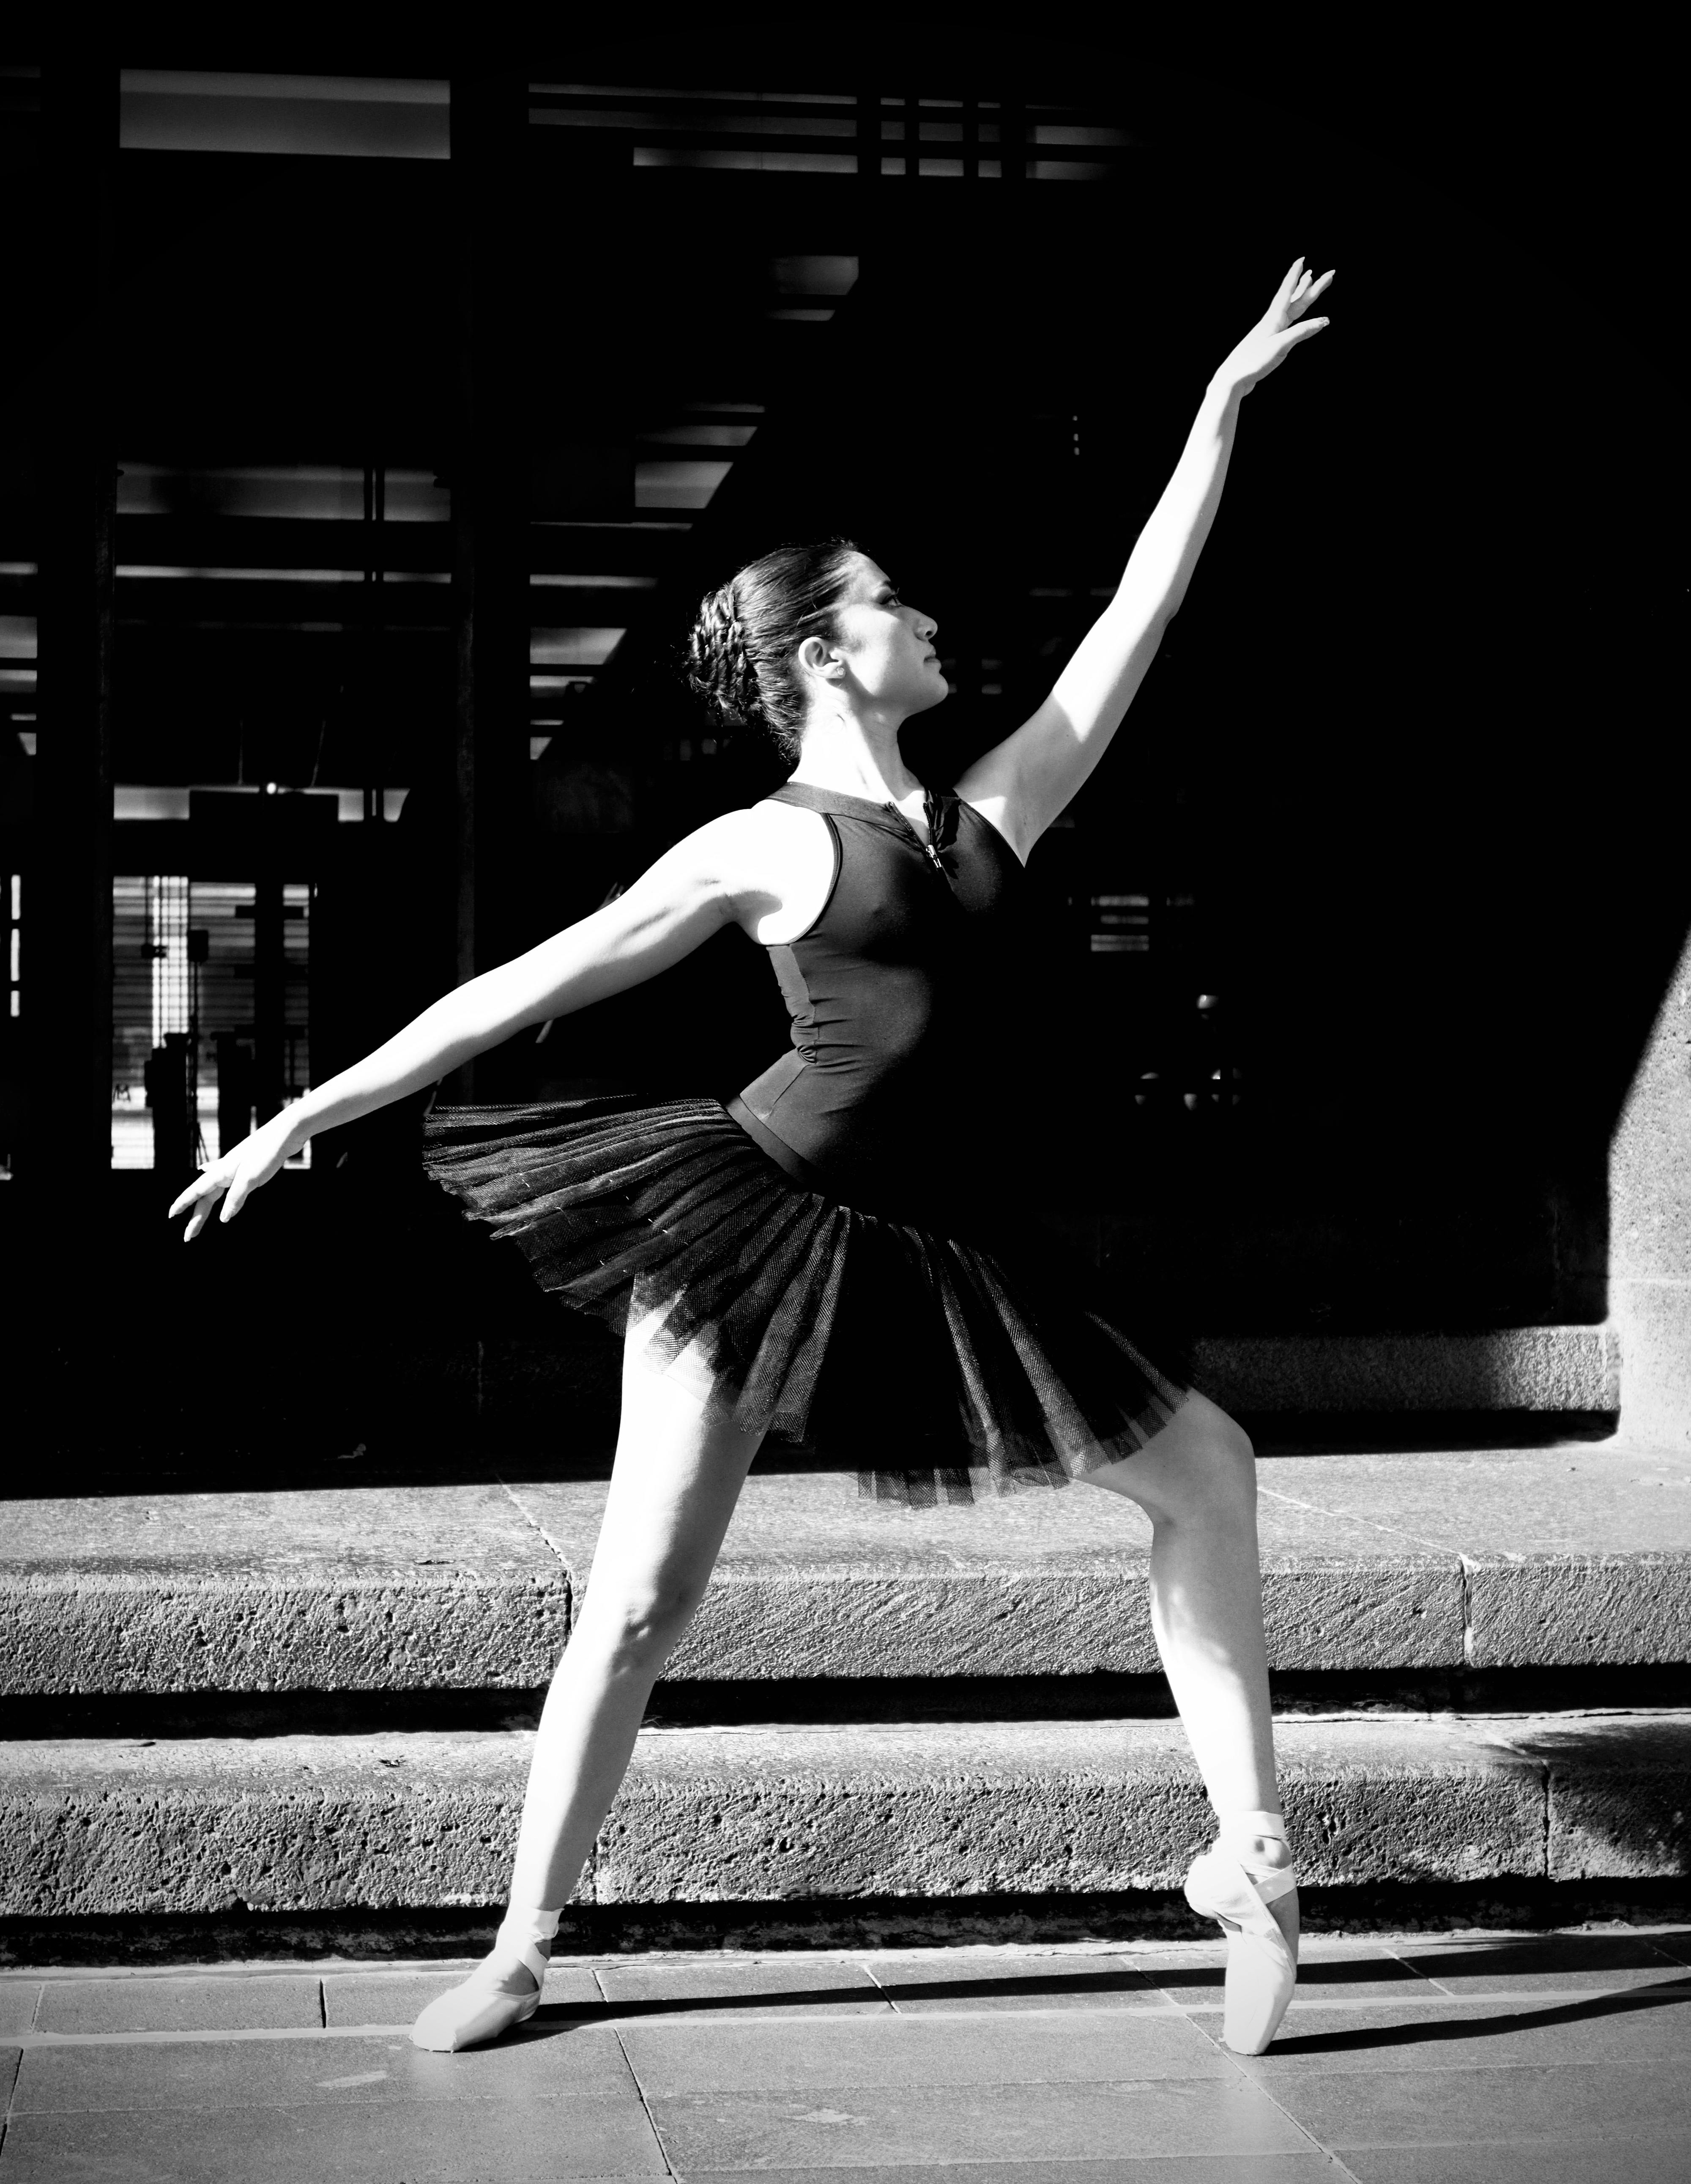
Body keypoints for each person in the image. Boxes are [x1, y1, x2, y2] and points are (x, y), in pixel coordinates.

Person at [171, 257, 1334, 2058]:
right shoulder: (761, 843)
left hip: (946, 1237)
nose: (926, 617)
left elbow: (1137, 619)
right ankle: (522, 1943)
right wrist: (310, 1111)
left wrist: (1216, 410)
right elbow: (520, 986)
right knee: (641, 1598)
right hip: (754, 1219)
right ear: (819, 653)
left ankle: (1247, 1861)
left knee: (1210, 1471)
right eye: (890, 603)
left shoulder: (993, 803)